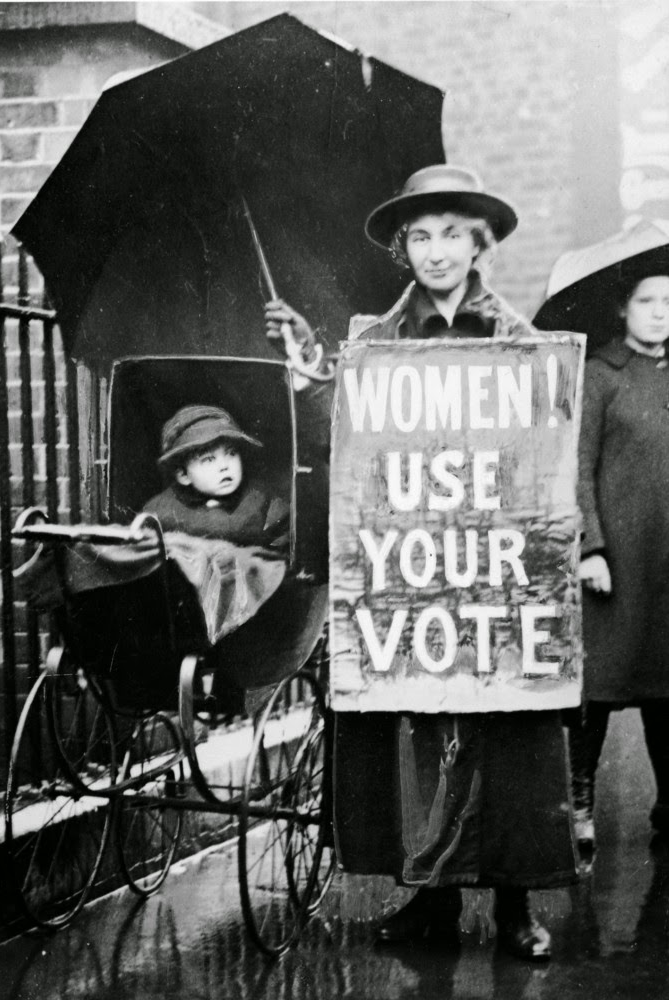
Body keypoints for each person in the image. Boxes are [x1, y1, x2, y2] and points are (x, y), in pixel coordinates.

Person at [265, 164, 577, 962]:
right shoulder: (373, 345)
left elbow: (542, 459)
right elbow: (346, 448)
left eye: (453, 235)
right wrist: (309, 383)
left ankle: (515, 908)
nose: (438, 251)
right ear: (404, 250)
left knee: (506, 735)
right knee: (422, 734)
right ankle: (431, 903)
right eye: (422, 236)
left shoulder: (522, 345)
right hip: (413, 572)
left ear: (480, 247)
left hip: (495, 572)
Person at [568, 267, 669, 859]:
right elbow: (577, 469)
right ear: (623, 310)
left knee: (667, 690)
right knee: (597, 692)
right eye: (647, 301)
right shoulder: (600, 376)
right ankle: (578, 809)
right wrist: (590, 550)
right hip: (617, 565)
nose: (660, 312)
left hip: (667, 563)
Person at [142, 404, 289, 550]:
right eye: (208, 459)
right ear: (183, 475)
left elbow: (285, 541)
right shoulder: (160, 511)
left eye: (231, 453)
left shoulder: (262, 498)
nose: (224, 466)